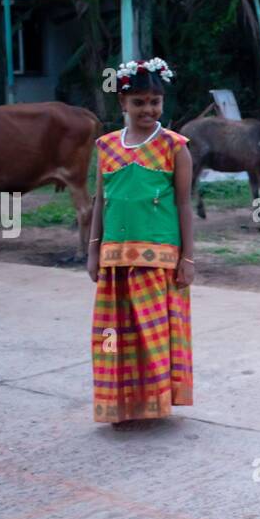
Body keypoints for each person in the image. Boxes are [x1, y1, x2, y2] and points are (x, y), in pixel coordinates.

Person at [86, 57, 195, 429]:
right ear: (123, 104)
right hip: (114, 260)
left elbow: (183, 203)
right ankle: (120, 404)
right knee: (114, 335)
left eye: (155, 102)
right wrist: (92, 249)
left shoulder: (175, 147)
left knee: (153, 335)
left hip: (159, 260)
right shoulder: (105, 147)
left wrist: (189, 258)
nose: (148, 110)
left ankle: (153, 403)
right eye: (139, 103)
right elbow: (101, 200)